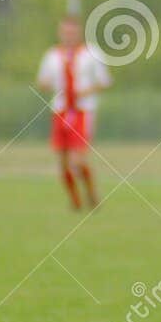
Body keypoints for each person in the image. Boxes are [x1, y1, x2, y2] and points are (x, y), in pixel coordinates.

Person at [36, 14, 109, 210]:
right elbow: (42, 82)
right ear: (60, 32)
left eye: (72, 31)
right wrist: (50, 84)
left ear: (78, 32)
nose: (68, 35)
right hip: (60, 110)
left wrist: (85, 90)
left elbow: (104, 81)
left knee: (77, 160)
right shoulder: (52, 55)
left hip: (82, 111)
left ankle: (91, 194)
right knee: (63, 162)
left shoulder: (91, 53)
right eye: (65, 31)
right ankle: (75, 201)